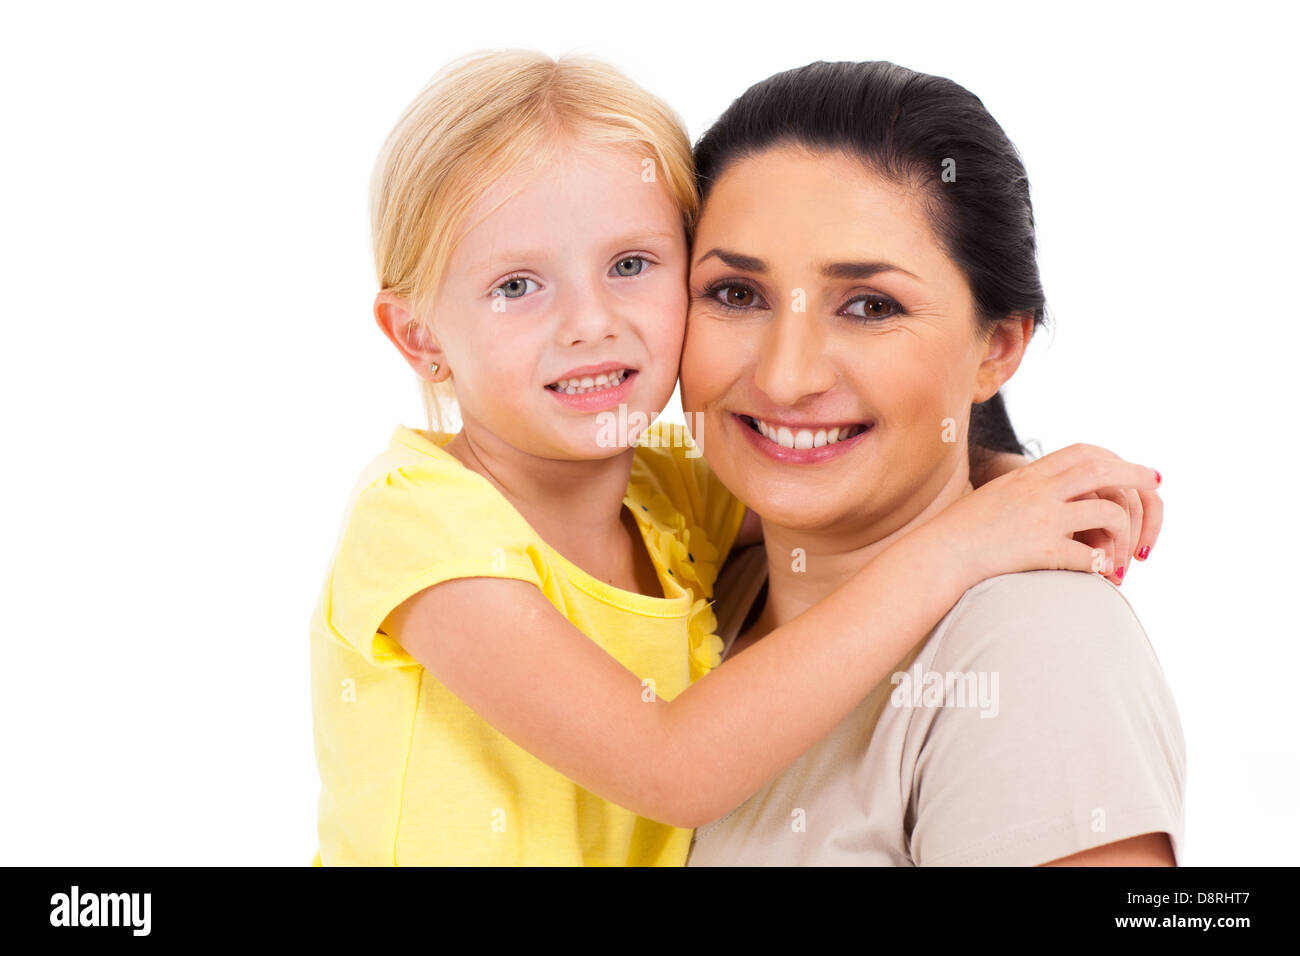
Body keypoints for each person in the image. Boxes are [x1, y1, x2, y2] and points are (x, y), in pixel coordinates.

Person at [309, 50, 1161, 865]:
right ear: (419, 338)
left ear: (998, 346)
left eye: (632, 265)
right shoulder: (421, 520)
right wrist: (971, 536)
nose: (590, 324)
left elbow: (879, 489)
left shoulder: (670, 498)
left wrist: (1031, 487)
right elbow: (669, 767)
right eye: (736, 293)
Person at [682, 60, 1184, 867]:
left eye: (871, 306)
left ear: (997, 347)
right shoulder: (700, 582)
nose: (784, 375)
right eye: (737, 294)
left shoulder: (1033, 647)